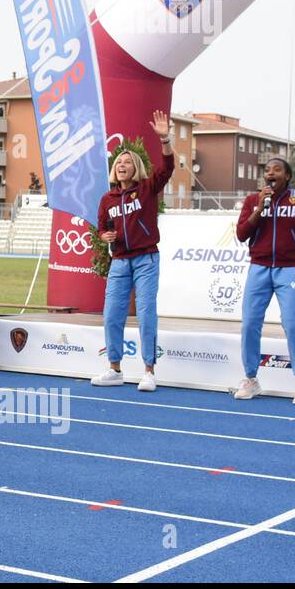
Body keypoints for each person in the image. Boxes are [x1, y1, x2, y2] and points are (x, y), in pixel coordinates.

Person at [233, 159, 295, 406]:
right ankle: (251, 379)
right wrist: (259, 209)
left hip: (289, 270)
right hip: (259, 268)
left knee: (292, 324)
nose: (271, 174)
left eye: (277, 170)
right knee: (249, 324)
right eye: (267, 170)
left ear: (287, 176)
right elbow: (241, 234)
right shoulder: (253, 200)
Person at [92, 111, 174, 392]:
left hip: (146, 260)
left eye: (128, 162)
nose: (122, 165)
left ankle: (149, 371)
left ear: (135, 167)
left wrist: (164, 138)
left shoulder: (148, 188)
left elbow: (167, 167)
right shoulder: (107, 199)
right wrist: (105, 235)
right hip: (119, 262)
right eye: (119, 162)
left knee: (146, 313)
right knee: (111, 315)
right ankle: (114, 368)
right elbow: (101, 227)